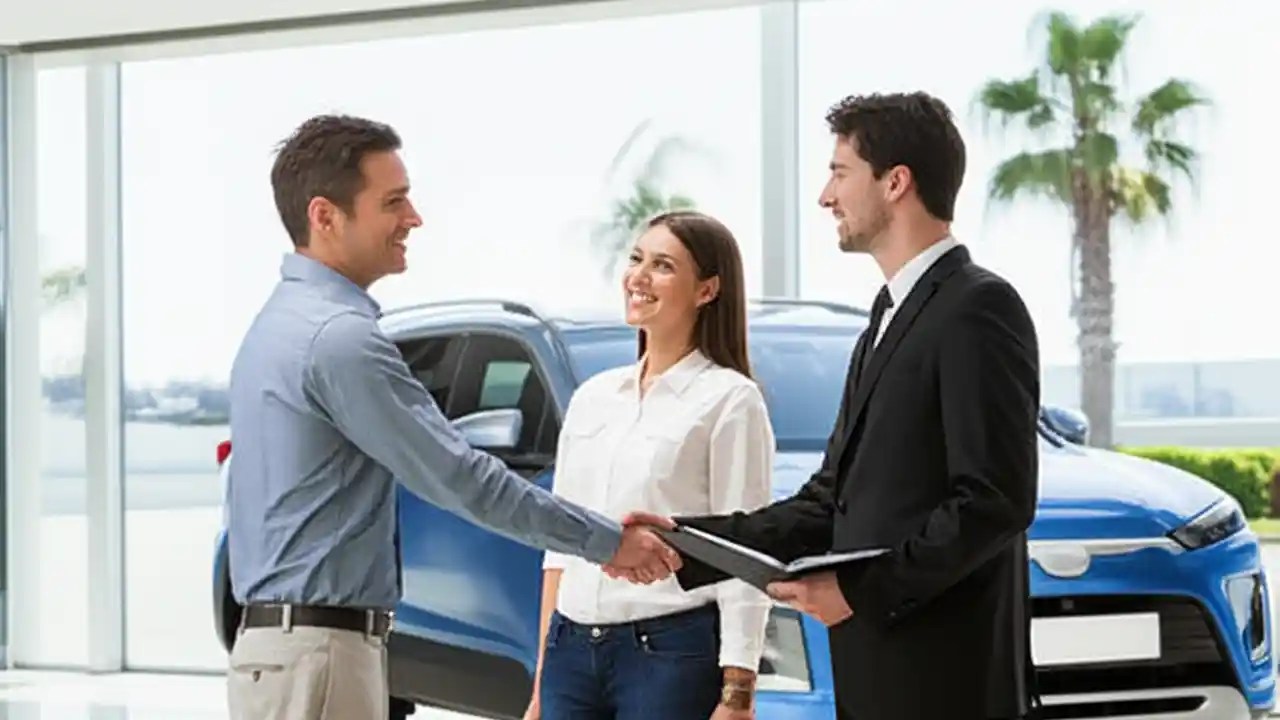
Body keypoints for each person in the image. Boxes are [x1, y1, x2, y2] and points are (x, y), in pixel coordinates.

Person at [224, 114, 679, 720]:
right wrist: (606, 542)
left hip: (285, 654)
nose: (413, 218)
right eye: (393, 201)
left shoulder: (278, 323)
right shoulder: (339, 339)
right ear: (325, 216)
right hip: (320, 658)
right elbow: (458, 474)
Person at [626, 91, 1042, 720]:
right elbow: (831, 500)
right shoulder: (885, 316)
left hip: (946, 679)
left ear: (896, 182)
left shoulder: (977, 307)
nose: (826, 196)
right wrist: (684, 541)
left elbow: (994, 500)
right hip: (878, 671)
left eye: (840, 172)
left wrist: (858, 590)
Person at [522, 211, 775, 720]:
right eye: (637, 259)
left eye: (662, 265)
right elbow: (560, 547)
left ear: (707, 290)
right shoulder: (594, 397)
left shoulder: (729, 400)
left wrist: (738, 694)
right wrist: (541, 683)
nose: (638, 277)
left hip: (667, 655)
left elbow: (743, 554)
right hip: (570, 650)